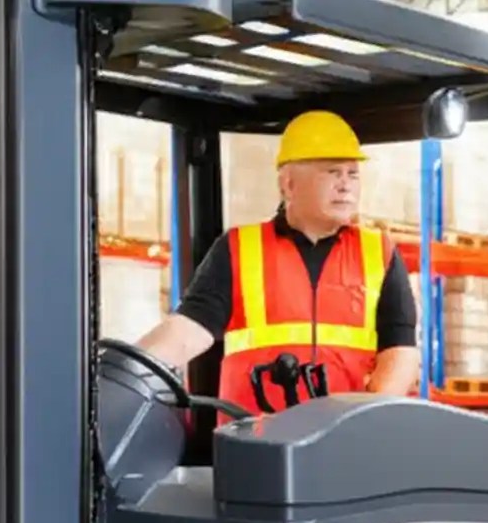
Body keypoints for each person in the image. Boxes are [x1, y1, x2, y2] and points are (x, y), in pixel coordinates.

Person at [136, 109, 421, 418]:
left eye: (353, 174)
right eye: (332, 172)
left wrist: (369, 418)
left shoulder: (378, 252)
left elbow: (400, 350)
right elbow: (187, 332)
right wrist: (125, 372)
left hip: (342, 444)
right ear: (288, 184)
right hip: (256, 443)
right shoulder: (239, 249)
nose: (346, 185)